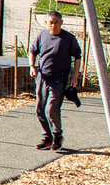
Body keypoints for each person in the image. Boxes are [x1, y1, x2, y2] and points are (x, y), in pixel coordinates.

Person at [31, 10, 80, 151]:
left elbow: (77, 57)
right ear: (46, 23)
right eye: (51, 23)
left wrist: (75, 76)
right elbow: (33, 51)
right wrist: (32, 66)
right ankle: (47, 137)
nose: (54, 25)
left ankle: (57, 135)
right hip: (42, 77)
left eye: (56, 22)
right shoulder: (41, 36)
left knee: (51, 109)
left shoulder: (68, 38)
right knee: (39, 109)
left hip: (59, 79)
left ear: (61, 23)